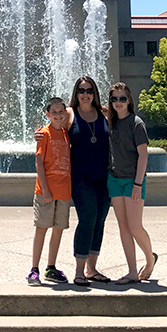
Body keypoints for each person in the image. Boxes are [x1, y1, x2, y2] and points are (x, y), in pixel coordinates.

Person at [107, 82, 157, 284]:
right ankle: (132, 271)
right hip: (114, 180)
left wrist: (138, 184)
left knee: (135, 226)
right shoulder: (111, 121)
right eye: (114, 99)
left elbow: (143, 155)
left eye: (122, 98)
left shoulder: (136, 123)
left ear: (129, 100)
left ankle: (150, 259)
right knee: (123, 227)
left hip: (133, 182)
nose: (118, 102)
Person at [66, 76, 111, 286]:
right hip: (80, 177)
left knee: (100, 221)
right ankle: (79, 271)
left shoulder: (104, 113)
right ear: (76, 93)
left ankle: (92, 269)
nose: (85, 94)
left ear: (95, 93)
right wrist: (40, 135)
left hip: (104, 177)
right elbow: (52, 132)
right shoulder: (69, 113)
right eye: (82, 90)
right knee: (87, 219)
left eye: (89, 90)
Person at [27, 96, 72, 285]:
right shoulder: (44, 134)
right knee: (41, 229)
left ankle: (51, 268)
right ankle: (34, 269)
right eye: (54, 113)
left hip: (64, 191)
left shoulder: (66, 133)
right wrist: (45, 189)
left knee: (58, 229)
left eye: (61, 112)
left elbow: (73, 110)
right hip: (45, 191)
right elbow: (39, 162)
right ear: (48, 114)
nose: (58, 115)